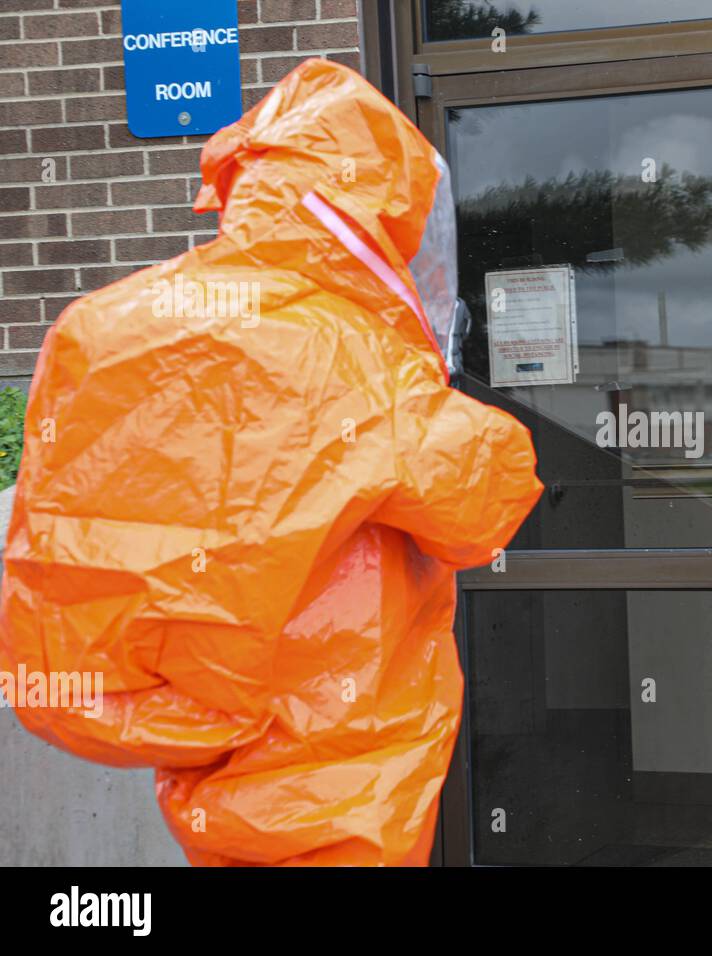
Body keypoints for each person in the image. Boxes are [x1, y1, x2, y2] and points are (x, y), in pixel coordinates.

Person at [0, 59, 542, 866]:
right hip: (339, 776)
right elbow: (489, 501)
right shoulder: (354, 357)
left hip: (203, 754)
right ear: (370, 210)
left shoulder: (101, 328)